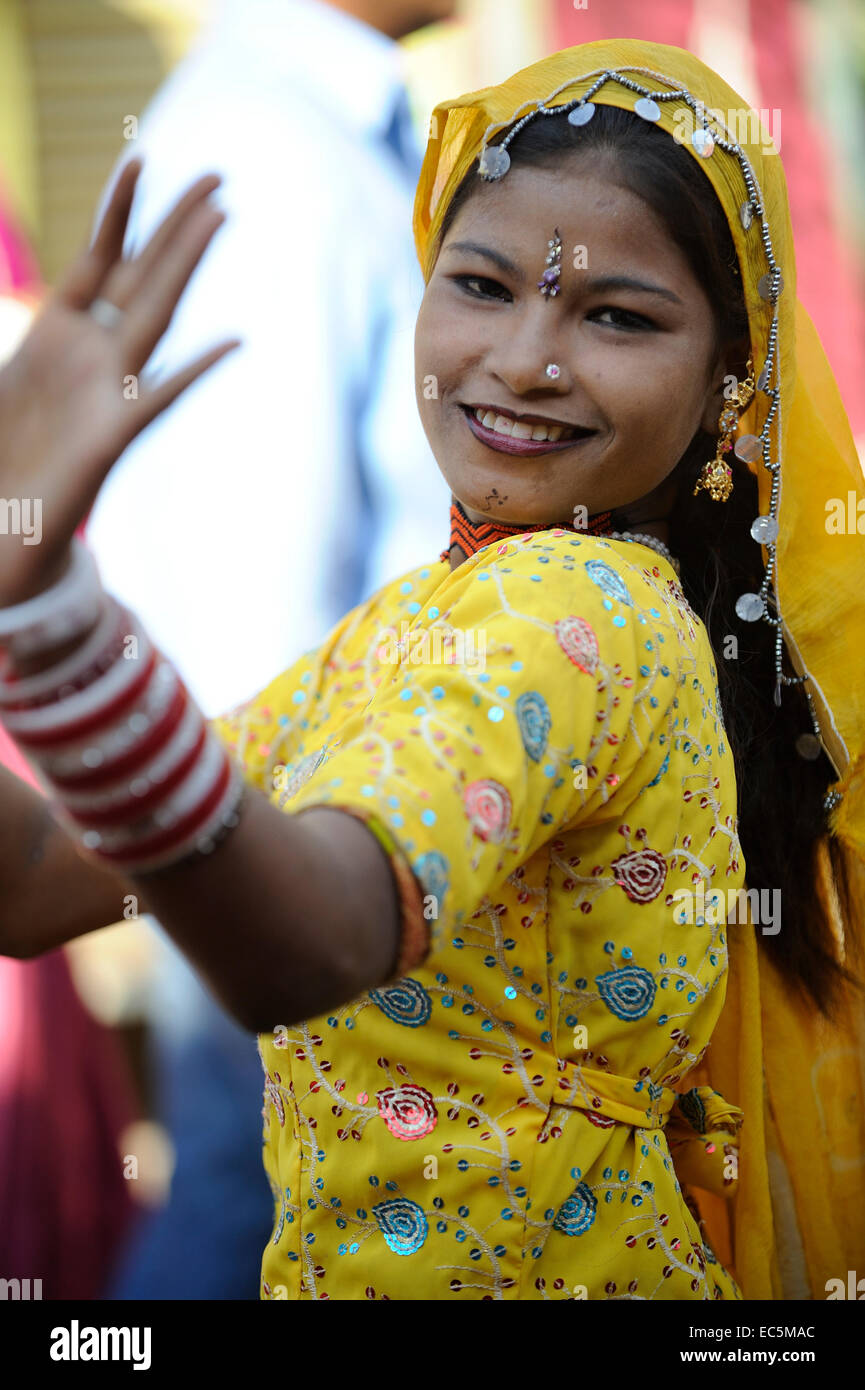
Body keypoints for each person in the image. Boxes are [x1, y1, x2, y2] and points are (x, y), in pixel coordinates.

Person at [1, 36, 863, 1301]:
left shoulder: (579, 613)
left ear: (734, 389)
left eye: (615, 314)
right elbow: (38, 883)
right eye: (480, 284)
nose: (522, 359)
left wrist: (56, 615)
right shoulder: (421, 621)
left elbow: (307, 945)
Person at [83, 0, 456, 1298]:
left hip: (340, 840)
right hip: (307, 844)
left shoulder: (330, 128)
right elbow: (251, 597)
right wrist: (291, 887)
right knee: (254, 1206)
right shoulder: (264, 143)